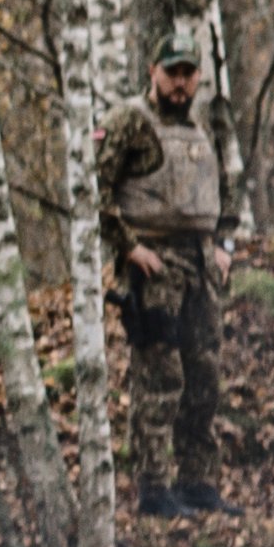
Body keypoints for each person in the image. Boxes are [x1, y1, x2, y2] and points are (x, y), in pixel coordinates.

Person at [96, 32, 233, 517]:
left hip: (200, 262)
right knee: (160, 374)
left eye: (187, 73)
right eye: (171, 72)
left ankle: (199, 481)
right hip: (154, 267)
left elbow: (223, 189)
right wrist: (129, 247)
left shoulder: (204, 127)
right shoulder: (129, 121)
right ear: (153, 71)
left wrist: (220, 244)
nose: (180, 83)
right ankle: (154, 486)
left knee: (205, 372)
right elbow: (96, 187)